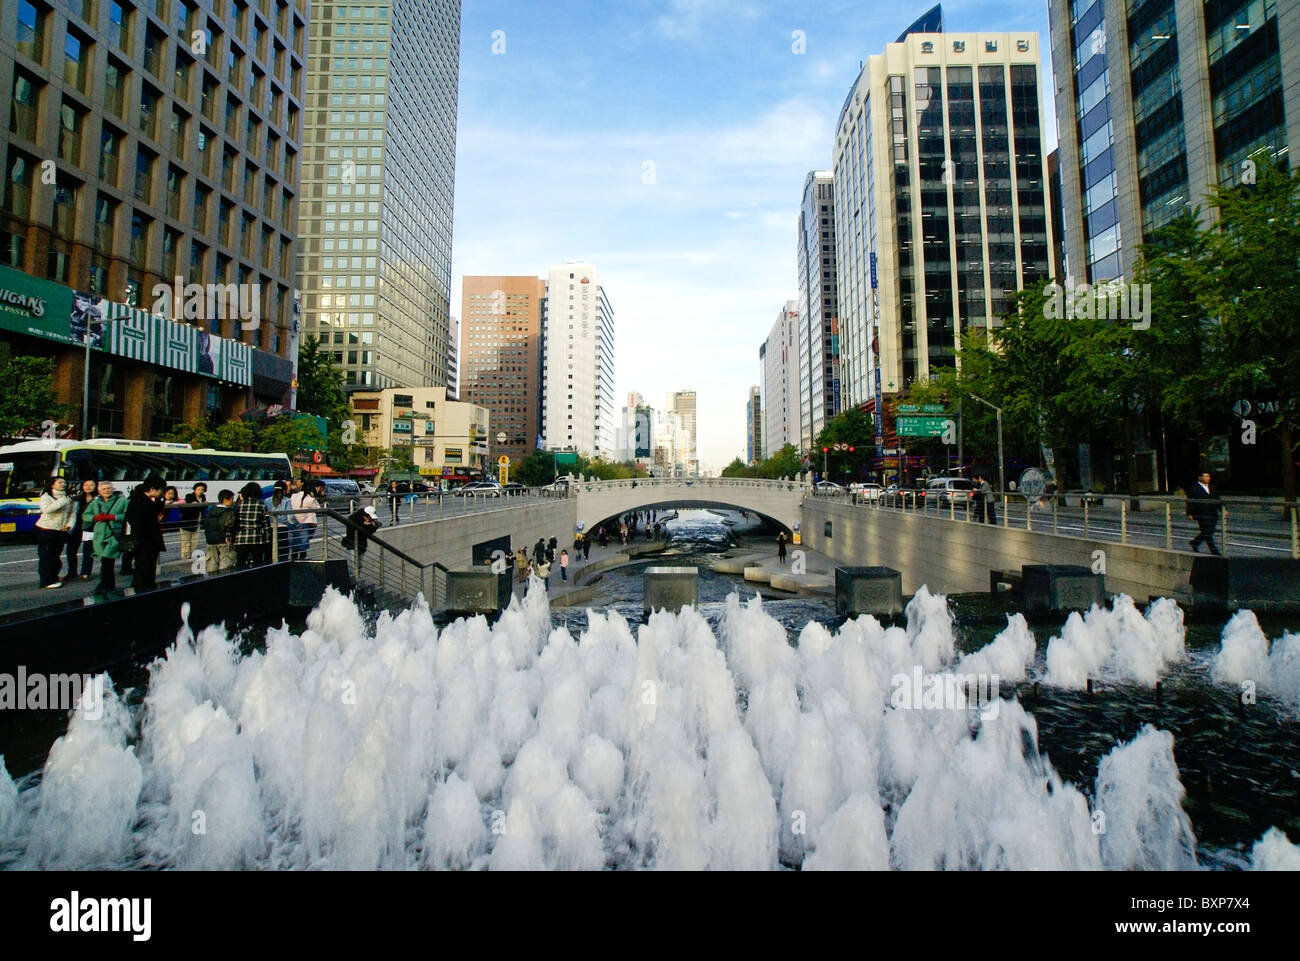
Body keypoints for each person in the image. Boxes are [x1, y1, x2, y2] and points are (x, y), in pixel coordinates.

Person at [84, 480, 128, 592]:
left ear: (113, 489)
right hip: (99, 535)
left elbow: (128, 515)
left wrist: (114, 517)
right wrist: (95, 518)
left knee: (107, 560)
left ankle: (104, 584)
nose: (107, 490)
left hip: (114, 534)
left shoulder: (122, 501)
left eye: (109, 488)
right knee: (105, 560)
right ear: (99, 490)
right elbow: (85, 515)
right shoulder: (95, 503)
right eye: (104, 489)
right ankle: (109, 584)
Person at [127, 475, 166, 590]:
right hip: (145, 540)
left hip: (145, 540)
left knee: (145, 567)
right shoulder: (140, 501)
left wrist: (160, 500)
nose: (161, 493)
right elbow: (139, 520)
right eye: (161, 490)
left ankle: (143, 588)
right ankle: (142, 590)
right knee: (144, 568)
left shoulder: (141, 499)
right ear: (153, 489)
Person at [36, 477, 74, 589]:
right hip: (46, 529)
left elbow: (72, 513)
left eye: (64, 482)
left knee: (56, 556)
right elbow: (47, 510)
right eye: (60, 482)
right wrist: (65, 499)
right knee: (46, 556)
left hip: (60, 530)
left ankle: (54, 576)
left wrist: (69, 525)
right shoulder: (46, 496)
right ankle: (46, 581)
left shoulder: (69, 497)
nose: (63, 484)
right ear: (52, 485)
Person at [65, 478, 99, 582]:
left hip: (90, 528)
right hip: (77, 528)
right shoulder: (78, 499)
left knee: (87, 551)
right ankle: (72, 572)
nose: (88, 487)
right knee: (70, 550)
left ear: (95, 487)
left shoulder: (97, 499)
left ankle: (85, 573)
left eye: (91, 485)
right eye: (86, 485)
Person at [232, 481, 272, 568]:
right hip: (256, 538)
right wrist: (267, 538)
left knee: (240, 563)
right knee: (257, 564)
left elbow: (232, 522)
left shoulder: (239, 505)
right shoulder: (261, 505)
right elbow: (266, 524)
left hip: (241, 538)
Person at [1187, 471, 1222, 555]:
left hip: (1213, 513)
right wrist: (1190, 513)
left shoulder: (1212, 487)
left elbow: (1217, 499)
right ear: (1200, 478)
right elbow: (1190, 501)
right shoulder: (1194, 488)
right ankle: (1213, 550)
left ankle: (1195, 542)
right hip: (1201, 513)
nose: (1208, 478)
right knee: (1207, 531)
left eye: (1208, 477)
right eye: (1205, 477)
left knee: (1209, 531)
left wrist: (1222, 509)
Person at [203, 489, 237, 574]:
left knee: (212, 564)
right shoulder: (230, 512)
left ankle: (211, 581)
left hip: (210, 541)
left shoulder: (210, 511)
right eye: (232, 499)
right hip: (224, 541)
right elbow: (230, 526)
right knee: (226, 564)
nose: (233, 502)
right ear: (226, 500)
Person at [288, 480, 322, 561]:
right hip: (305, 525)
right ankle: (302, 563)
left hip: (293, 524)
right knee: (303, 547)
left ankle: (294, 562)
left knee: (294, 547)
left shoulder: (293, 496)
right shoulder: (310, 499)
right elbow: (318, 509)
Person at [179, 483, 208, 567]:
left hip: (197, 522)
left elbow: (202, 508)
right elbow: (189, 504)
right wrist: (195, 504)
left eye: (202, 489)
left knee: (195, 541)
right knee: (186, 541)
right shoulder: (189, 496)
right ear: (195, 489)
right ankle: (185, 558)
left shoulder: (203, 498)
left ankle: (191, 556)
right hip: (187, 522)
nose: (200, 491)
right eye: (198, 489)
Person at [267, 481, 291, 560]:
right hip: (282, 528)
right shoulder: (287, 501)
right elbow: (290, 517)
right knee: (283, 552)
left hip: (270, 528)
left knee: (270, 552)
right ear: (284, 490)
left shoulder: (266, 501)